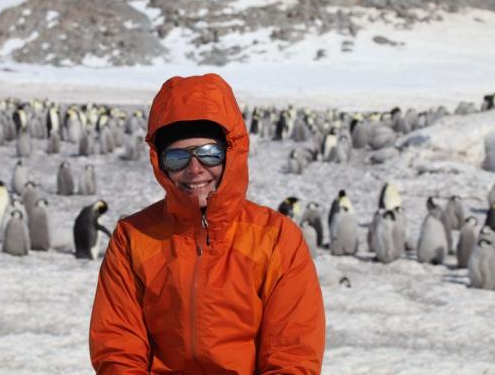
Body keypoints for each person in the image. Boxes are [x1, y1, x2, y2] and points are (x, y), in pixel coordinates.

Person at [89, 73, 325, 373]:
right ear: (159, 163)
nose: (195, 170)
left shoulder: (277, 238)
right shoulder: (133, 237)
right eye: (177, 158)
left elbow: (293, 355)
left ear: (231, 153)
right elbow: (117, 348)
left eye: (209, 154)